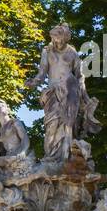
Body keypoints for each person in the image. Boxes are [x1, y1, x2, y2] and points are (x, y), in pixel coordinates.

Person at [24, 23, 99, 163]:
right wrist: (34, 82)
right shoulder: (47, 51)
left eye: (58, 38)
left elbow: (80, 74)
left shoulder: (72, 52)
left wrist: (82, 89)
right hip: (52, 91)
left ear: (65, 38)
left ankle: (65, 156)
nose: (55, 41)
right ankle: (51, 156)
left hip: (70, 91)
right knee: (51, 123)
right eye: (53, 38)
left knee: (68, 125)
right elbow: (42, 72)